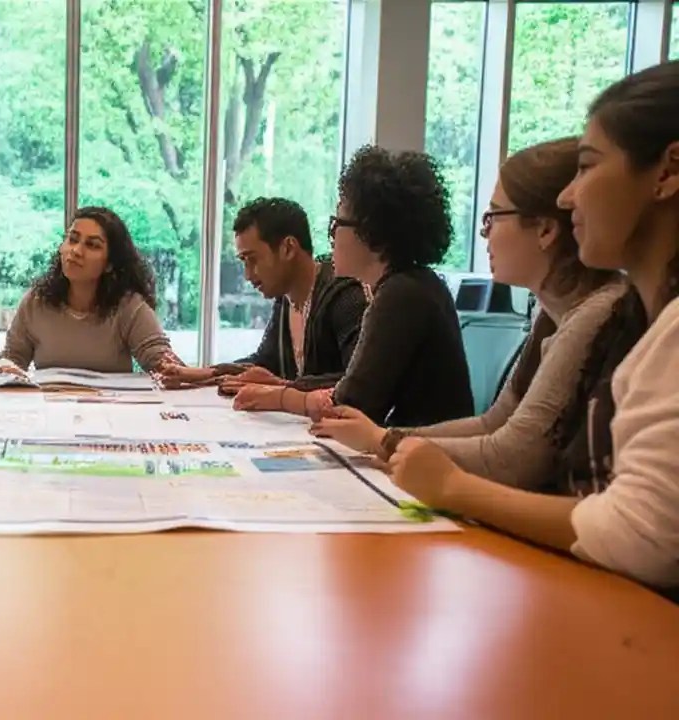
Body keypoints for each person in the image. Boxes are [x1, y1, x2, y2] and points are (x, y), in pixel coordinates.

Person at [388, 60, 679, 596]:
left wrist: (447, 483)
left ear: (667, 172)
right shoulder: (627, 315)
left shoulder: (617, 315)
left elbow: (642, 535)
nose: (570, 198)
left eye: (588, 168)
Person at [312, 138, 631, 493]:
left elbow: (514, 456)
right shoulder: (552, 313)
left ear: (545, 230)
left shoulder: (595, 312)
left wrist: (385, 442)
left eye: (492, 216)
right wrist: (385, 438)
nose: (484, 233)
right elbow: (494, 423)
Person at [234, 146, 474, 427]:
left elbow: (352, 401)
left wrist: (278, 396)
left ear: (370, 231)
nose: (332, 236)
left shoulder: (401, 295)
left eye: (337, 223)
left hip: (424, 460)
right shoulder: (413, 285)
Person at [158, 197, 367, 389]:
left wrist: (281, 388)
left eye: (253, 259)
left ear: (288, 248)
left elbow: (359, 382)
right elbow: (264, 363)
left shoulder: (344, 296)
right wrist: (202, 374)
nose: (248, 275)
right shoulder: (286, 299)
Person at [0, 206, 179, 375]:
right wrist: (3, 365)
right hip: (51, 410)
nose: (76, 251)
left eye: (92, 245)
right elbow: (12, 357)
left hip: (113, 411)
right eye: (72, 240)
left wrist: (199, 374)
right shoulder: (36, 301)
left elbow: (160, 361)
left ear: (109, 264)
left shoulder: (129, 306)